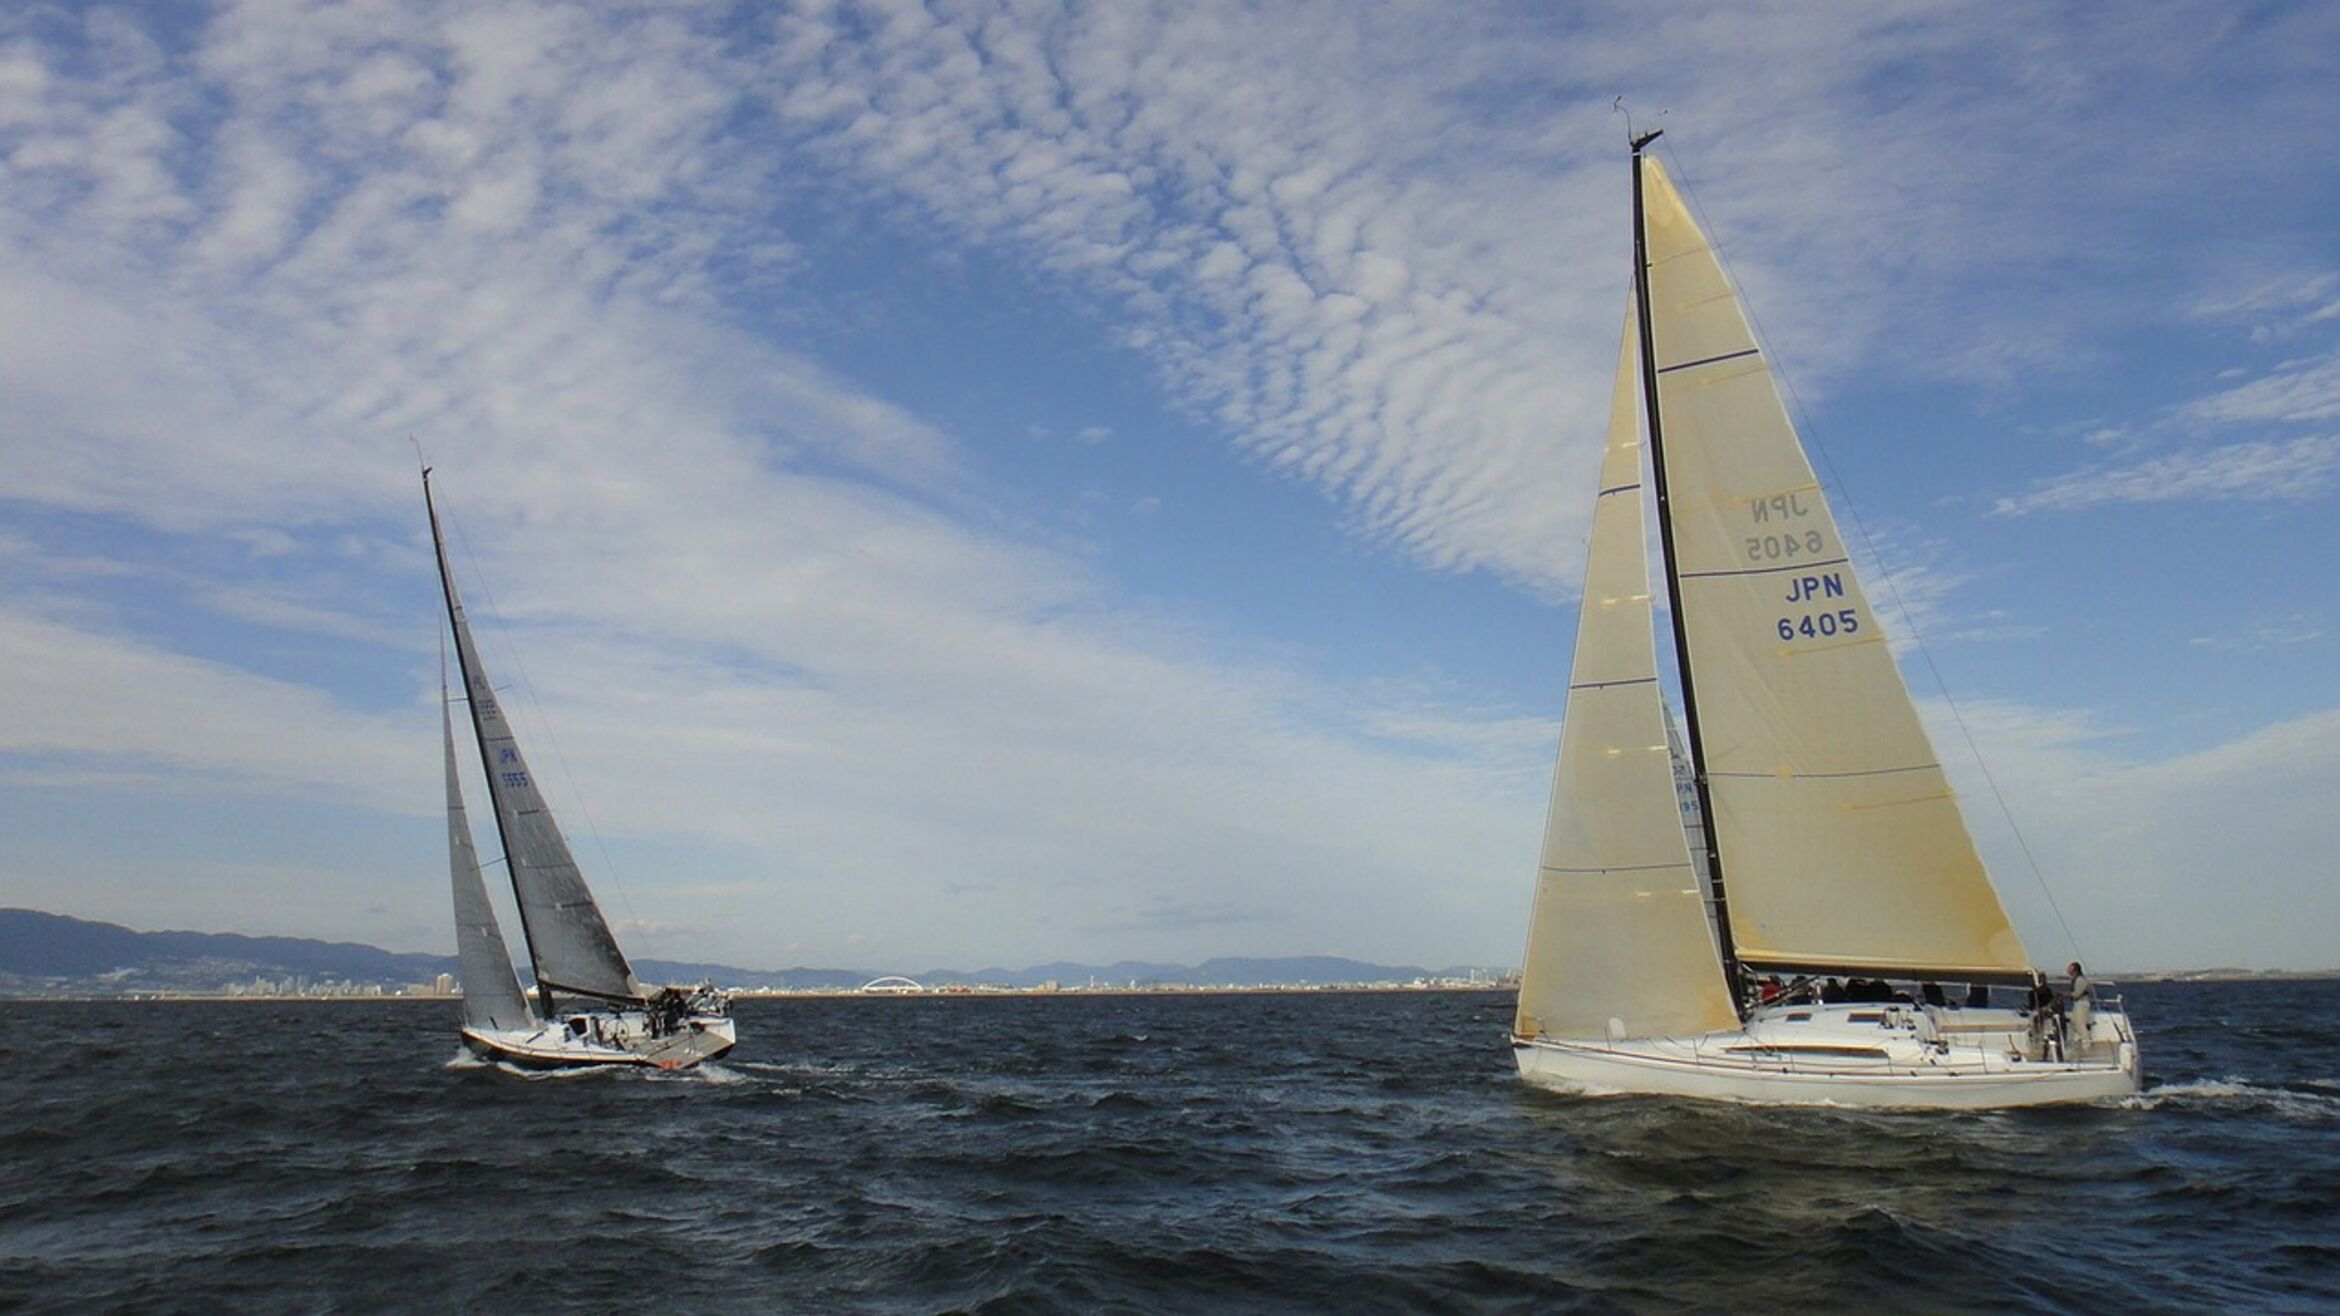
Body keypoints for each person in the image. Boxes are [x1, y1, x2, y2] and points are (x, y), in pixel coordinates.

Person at [2067, 961, 2094, 1052]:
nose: (2067, 970)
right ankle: (2075, 1042)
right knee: (2074, 1022)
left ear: (2074, 969)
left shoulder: (2080, 980)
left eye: (2070, 968)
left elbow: (2077, 994)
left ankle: (2086, 1044)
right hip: (2077, 1003)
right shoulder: (2074, 979)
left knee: (2080, 1024)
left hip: (2082, 1003)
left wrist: (2065, 995)